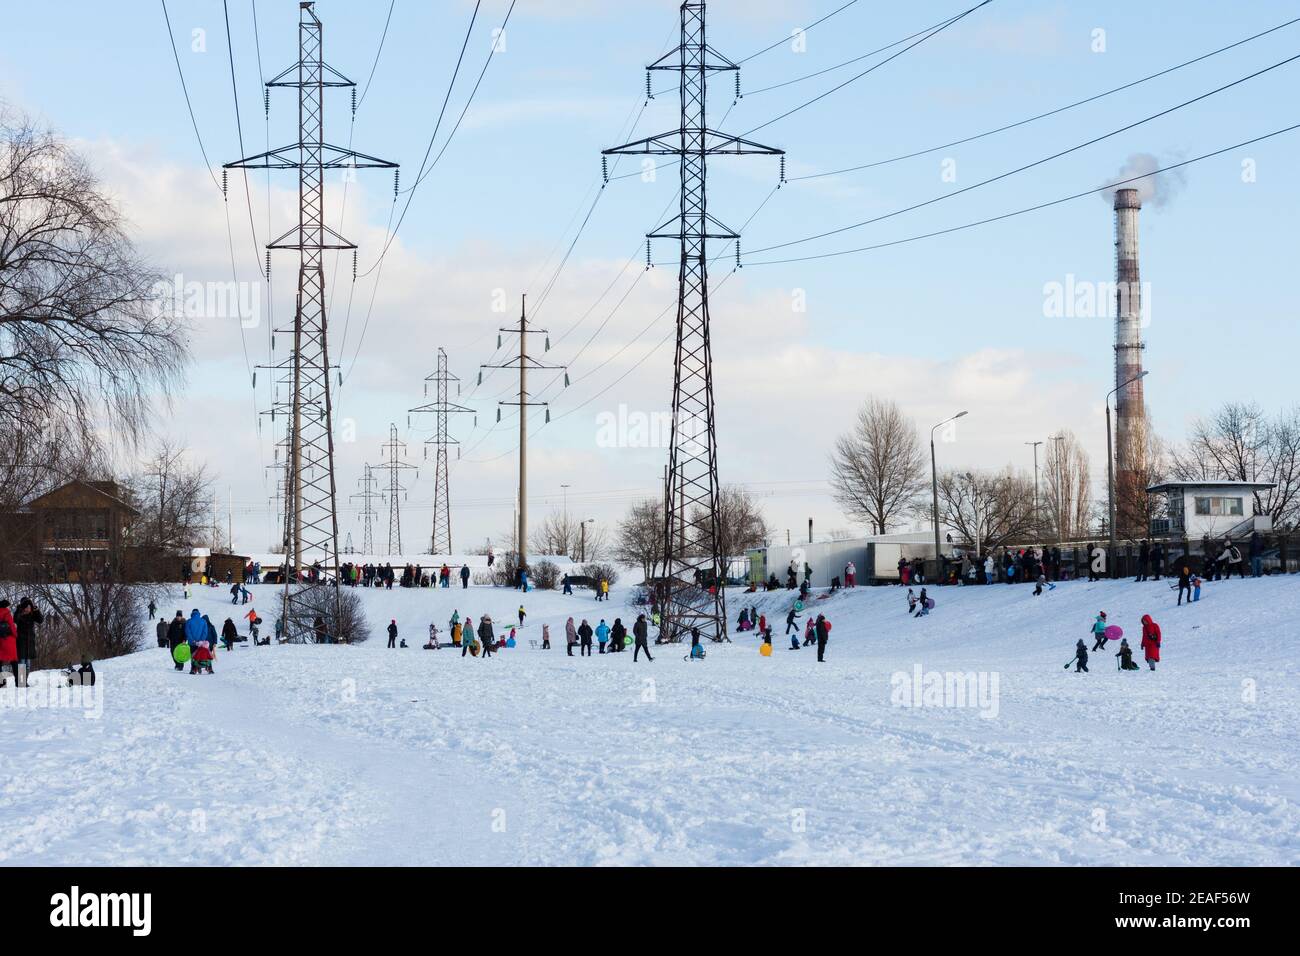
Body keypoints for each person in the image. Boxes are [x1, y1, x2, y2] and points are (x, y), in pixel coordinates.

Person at [15, 597, 44, 679]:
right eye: (26, 607)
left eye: (29, 607)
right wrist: (19, 610)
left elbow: (40, 620)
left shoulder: (32, 615)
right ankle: (21, 682)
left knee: (28, 664)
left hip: (30, 643)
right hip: (21, 642)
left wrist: (37, 610)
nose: (28, 608)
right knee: (22, 663)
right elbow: (15, 619)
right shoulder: (19, 614)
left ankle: (25, 681)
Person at [0, 600, 18, 686]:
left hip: (1, 639)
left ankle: (1, 683)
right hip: (8, 639)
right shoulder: (6, 612)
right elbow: (11, 625)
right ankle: (20, 682)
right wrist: (15, 635)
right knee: (15, 661)